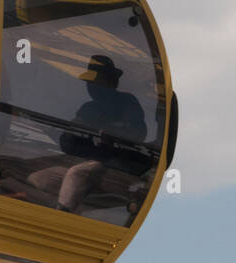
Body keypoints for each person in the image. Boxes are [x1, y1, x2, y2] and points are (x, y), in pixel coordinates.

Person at [27, 55, 148, 213]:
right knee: (38, 177)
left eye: (96, 82)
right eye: (89, 83)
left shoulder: (127, 102)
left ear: (110, 82)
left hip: (117, 165)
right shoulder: (87, 109)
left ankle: (60, 216)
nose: (91, 87)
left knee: (78, 173)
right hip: (86, 161)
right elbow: (68, 145)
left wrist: (111, 133)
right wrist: (70, 132)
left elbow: (138, 133)